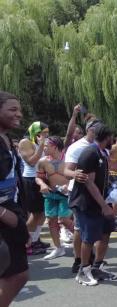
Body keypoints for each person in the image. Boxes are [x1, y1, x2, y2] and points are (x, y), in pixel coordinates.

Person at [70, 123, 116, 286]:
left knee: (106, 231)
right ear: (107, 137)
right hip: (87, 202)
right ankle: (83, 270)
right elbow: (89, 183)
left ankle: (97, 267)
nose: (113, 139)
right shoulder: (90, 152)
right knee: (88, 238)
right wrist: (104, 206)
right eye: (111, 137)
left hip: (102, 200)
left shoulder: (103, 152)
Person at [0, 91, 29, 306]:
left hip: (12, 213)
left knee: (17, 274)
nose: (19, 114)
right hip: (4, 216)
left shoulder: (7, 139)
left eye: (19, 109)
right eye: (12, 109)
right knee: (16, 274)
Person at [64, 118, 100, 273]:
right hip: (79, 193)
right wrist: (75, 174)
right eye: (98, 129)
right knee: (79, 227)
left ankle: (91, 257)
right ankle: (78, 259)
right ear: (90, 129)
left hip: (96, 192)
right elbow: (66, 171)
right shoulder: (77, 147)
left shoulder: (100, 147)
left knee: (92, 227)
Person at [35, 136, 74, 260]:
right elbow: (38, 177)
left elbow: (77, 176)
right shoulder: (43, 161)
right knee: (51, 220)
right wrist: (42, 184)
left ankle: (84, 239)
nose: (44, 148)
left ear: (54, 147)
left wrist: (69, 186)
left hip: (66, 195)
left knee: (64, 219)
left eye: (46, 146)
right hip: (50, 194)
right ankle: (58, 248)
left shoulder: (69, 160)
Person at [18, 121, 49, 255]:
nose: (46, 135)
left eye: (47, 133)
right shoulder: (25, 142)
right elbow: (31, 162)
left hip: (41, 178)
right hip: (31, 180)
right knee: (35, 213)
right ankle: (24, 244)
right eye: (44, 132)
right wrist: (42, 144)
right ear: (36, 132)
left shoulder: (39, 142)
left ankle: (35, 240)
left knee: (42, 213)